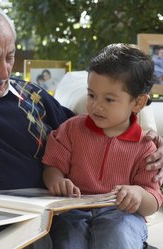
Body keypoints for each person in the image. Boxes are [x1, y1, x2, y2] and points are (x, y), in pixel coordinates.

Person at [0, 5, 163, 247]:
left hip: (51, 219)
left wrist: (151, 140)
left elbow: (96, 130)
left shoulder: (33, 96)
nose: (4, 72)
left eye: (9, 57)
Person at [42, 43, 163, 249]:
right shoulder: (71, 129)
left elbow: (153, 200)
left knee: (118, 235)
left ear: (138, 103)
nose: (96, 106)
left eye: (109, 99)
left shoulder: (146, 147)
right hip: (73, 211)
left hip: (122, 215)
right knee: (69, 240)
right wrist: (57, 181)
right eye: (91, 95)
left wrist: (138, 194)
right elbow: (52, 167)